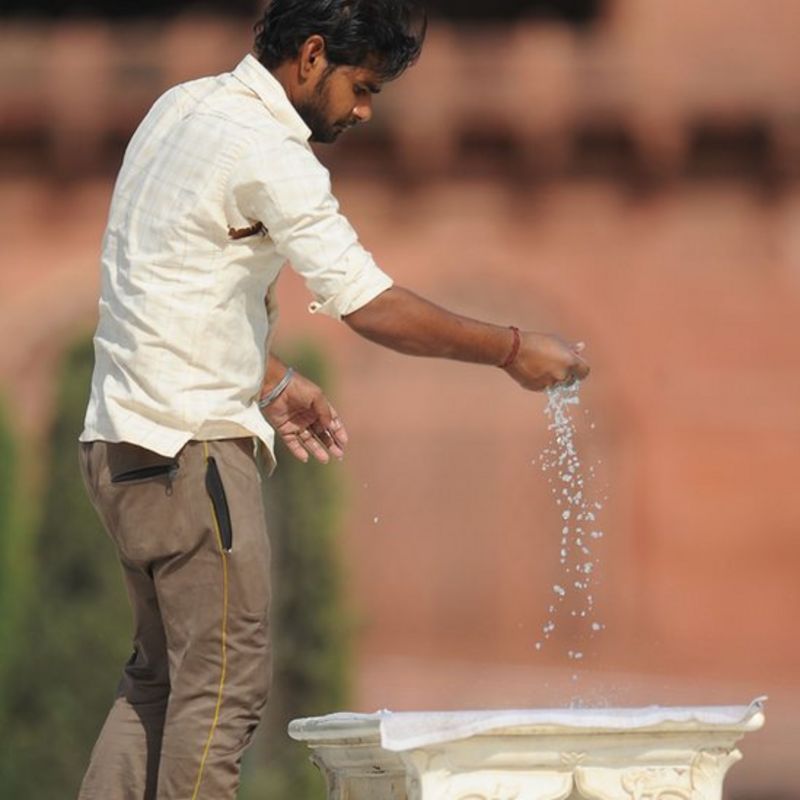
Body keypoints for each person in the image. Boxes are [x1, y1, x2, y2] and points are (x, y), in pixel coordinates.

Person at [76, 1, 590, 798]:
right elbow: (368, 302)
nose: (363, 110)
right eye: (361, 86)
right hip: (195, 456)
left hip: (118, 446)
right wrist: (514, 351)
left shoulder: (179, 107)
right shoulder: (271, 151)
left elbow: (151, 290)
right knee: (222, 694)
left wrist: (271, 377)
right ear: (311, 56)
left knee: (157, 683)